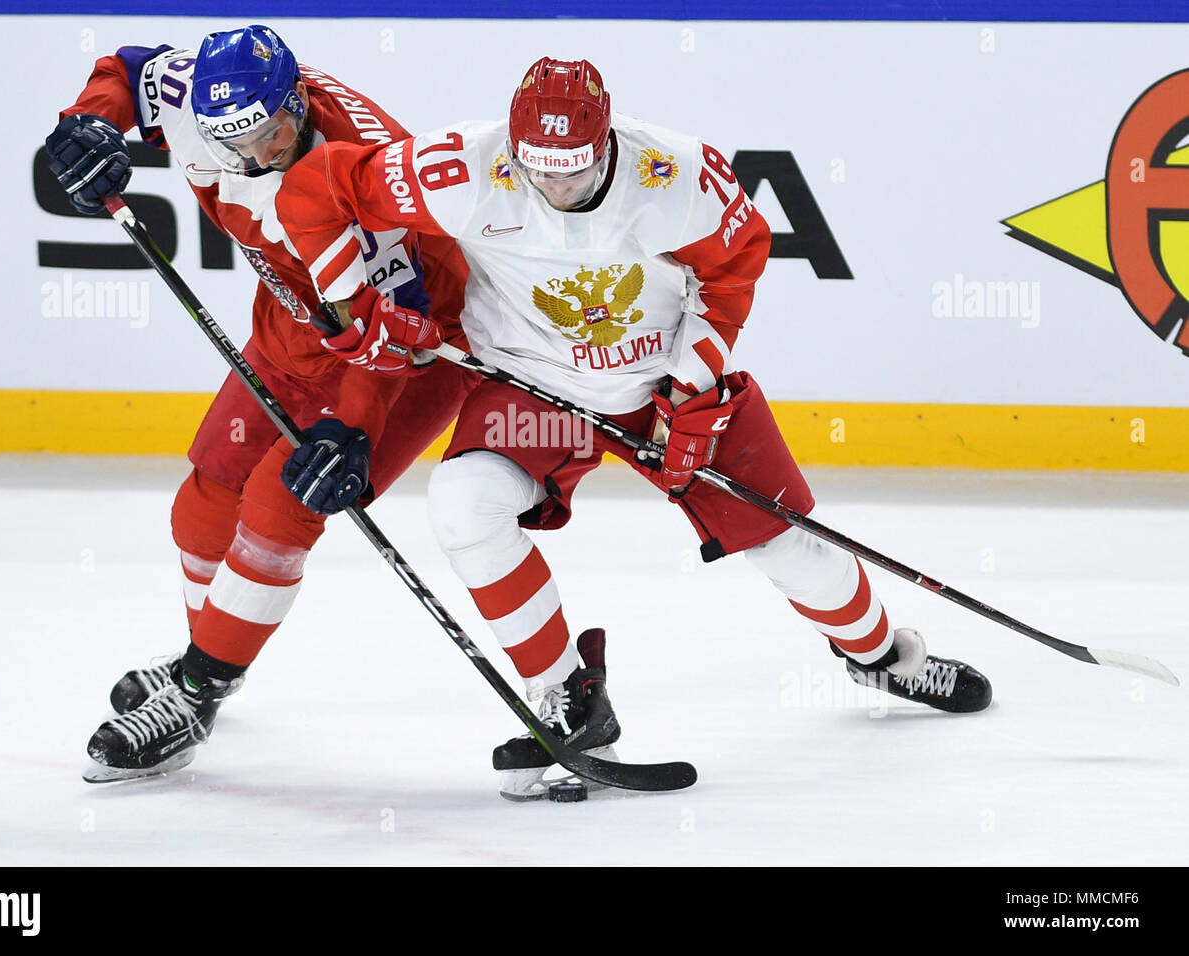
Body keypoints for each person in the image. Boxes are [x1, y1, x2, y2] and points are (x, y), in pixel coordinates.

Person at [276, 56, 993, 799]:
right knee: (461, 502)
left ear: (607, 142)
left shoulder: (676, 176)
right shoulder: (458, 166)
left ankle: (883, 658)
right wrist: (354, 306)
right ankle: (568, 700)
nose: (555, 190)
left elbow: (733, 269)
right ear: (514, 149)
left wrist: (692, 390)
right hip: (536, 388)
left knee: (793, 551)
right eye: (538, 173)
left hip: (663, 387)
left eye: (574, 175)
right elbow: (313, 189)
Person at [45, 25, 476, 782]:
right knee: (203, 501)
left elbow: (385, 338)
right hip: (291, 330)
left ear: (299, 102)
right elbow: (129, 69)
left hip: (412, 349)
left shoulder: (355, 183)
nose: (251, 160)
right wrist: (87, 125)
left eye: (271, 136)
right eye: (232, 143)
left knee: (283, 504)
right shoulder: (206, 95)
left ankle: (196, 691)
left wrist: (352, 429)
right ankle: (206, 653)